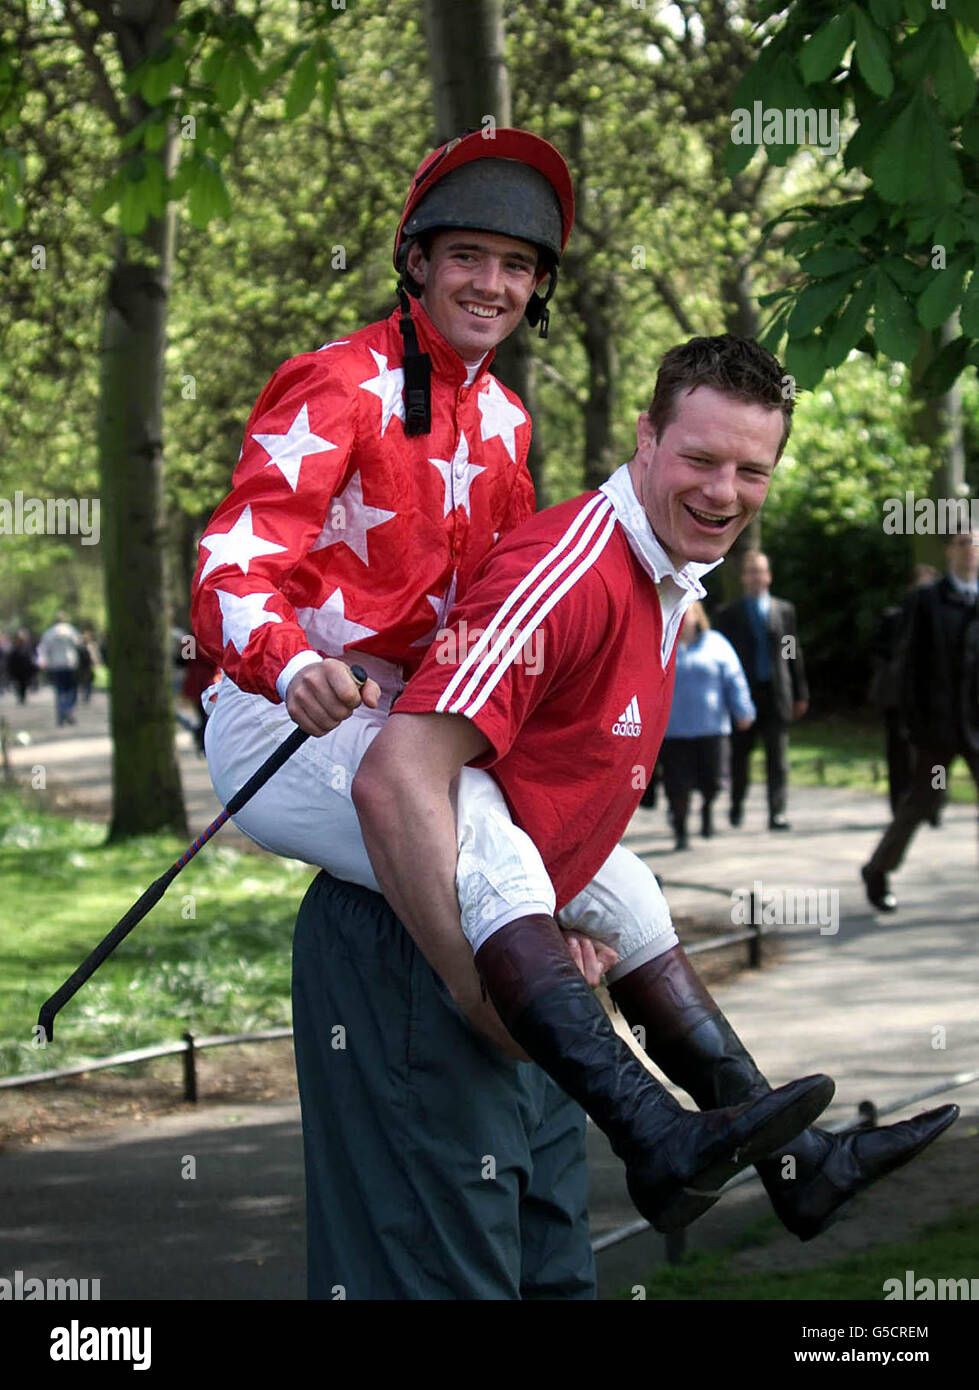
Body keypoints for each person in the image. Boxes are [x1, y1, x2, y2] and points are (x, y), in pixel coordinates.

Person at [318, 336, 953, 1299]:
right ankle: (668, 1138)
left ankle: (793, 1162)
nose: (725, 492)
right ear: (646, 439)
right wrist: (472, 986)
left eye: (753, 471)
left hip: (541, 969)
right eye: (700, 459)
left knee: (552, 1276)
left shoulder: (663, 574)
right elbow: (398, 778)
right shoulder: (571, 569)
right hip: (431, 943)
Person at [190, 127, 575, 897]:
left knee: (609, 891)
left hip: (416, 733)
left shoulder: (508, 419)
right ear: (418, 262)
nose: (491, 285)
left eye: (516, 266)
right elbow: (229, 562)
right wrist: (293, 665)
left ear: (537, 287)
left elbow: (501, 607)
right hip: (284, 717)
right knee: (507, 881)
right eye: (467, 256)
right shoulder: (335, 381)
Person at [862, 529, 979, 913]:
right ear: (949, 551)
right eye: (963, 543)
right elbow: (908, 666)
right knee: (923, 801)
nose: (970, 551)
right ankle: (878, 869)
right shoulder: (927, 601)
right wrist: (912, 724)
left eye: (976, 543)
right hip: (938, 729)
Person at [715, 551, 808, 830]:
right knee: (740, 756)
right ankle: (736, 805)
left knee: (777, 757)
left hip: (776, 692)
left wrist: (800, 692)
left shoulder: (783, 610)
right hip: (744, 695)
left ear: (768, 575)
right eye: (751, 571)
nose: (756, 576)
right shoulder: (728, 614)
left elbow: (792, 651)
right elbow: (723, 658)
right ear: (744, 578)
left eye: (761, 571)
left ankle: (777, 812)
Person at [657, 601, 754, 850]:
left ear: (697, 615)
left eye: (686, 611)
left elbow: (734, 678)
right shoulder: (661, 640)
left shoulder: (716, 643)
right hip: (673, 730)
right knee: (677, 785)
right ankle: (680, 829)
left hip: (711, 729)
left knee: (712, 782)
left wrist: (742, 710)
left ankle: (708, 810)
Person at [869, 565, 940, 818]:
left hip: (934, 699)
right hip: (898, 698)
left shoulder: (941, 620)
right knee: (898, 753)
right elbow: (878, 652)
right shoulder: (893, 617)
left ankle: (933, 804)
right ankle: (899, 803)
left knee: (933, 757)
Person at [37, 614, 82, 727]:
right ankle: (67, 710)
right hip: (70, 664)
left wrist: (45, 663)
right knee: (70, 690)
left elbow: (44, 649)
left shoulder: (49, 633)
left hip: (56, 665)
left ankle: (61, 713)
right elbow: (79, 644)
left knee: (59, 690)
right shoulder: (71, 630)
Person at [6, 630, 36, 705]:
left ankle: (23, 697)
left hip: (25, 670)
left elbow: (30, 658)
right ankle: (20, 697)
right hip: (16, 669)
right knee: (18, 684)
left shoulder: (27, 647)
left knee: (24, 684)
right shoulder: (14, 647)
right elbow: (10, 659)